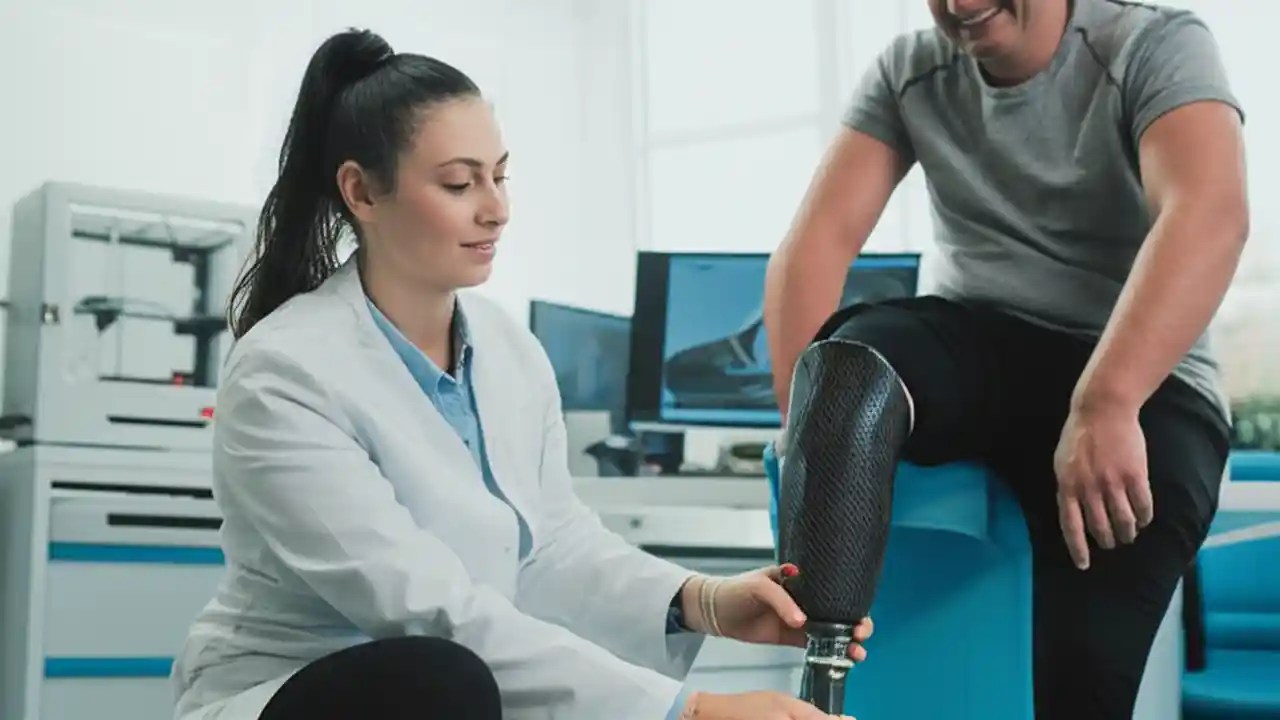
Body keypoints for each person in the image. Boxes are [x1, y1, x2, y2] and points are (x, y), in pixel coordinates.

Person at [170, 29, 872, 720]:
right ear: (360, 191)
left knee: (456, 680)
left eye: (499, 175)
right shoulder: (285, 374)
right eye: (458, 182)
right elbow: (424, 609)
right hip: (303, 687)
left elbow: (552, 545)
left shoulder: (506, 349)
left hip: (447, 679)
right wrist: (691, 711)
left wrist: (703, 601)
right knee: (441, 679)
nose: (496, 208)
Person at [764, 0, 1248, 718]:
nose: (960, 5)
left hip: (1142, 375)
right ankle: (822, 694)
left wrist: (1107, 402)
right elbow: (819, 239)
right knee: (847, 371)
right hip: (978, 347)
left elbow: (1209, 214)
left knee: (1082, 682)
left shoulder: (1154, 44)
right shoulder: (909, 72)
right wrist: (802, 425)